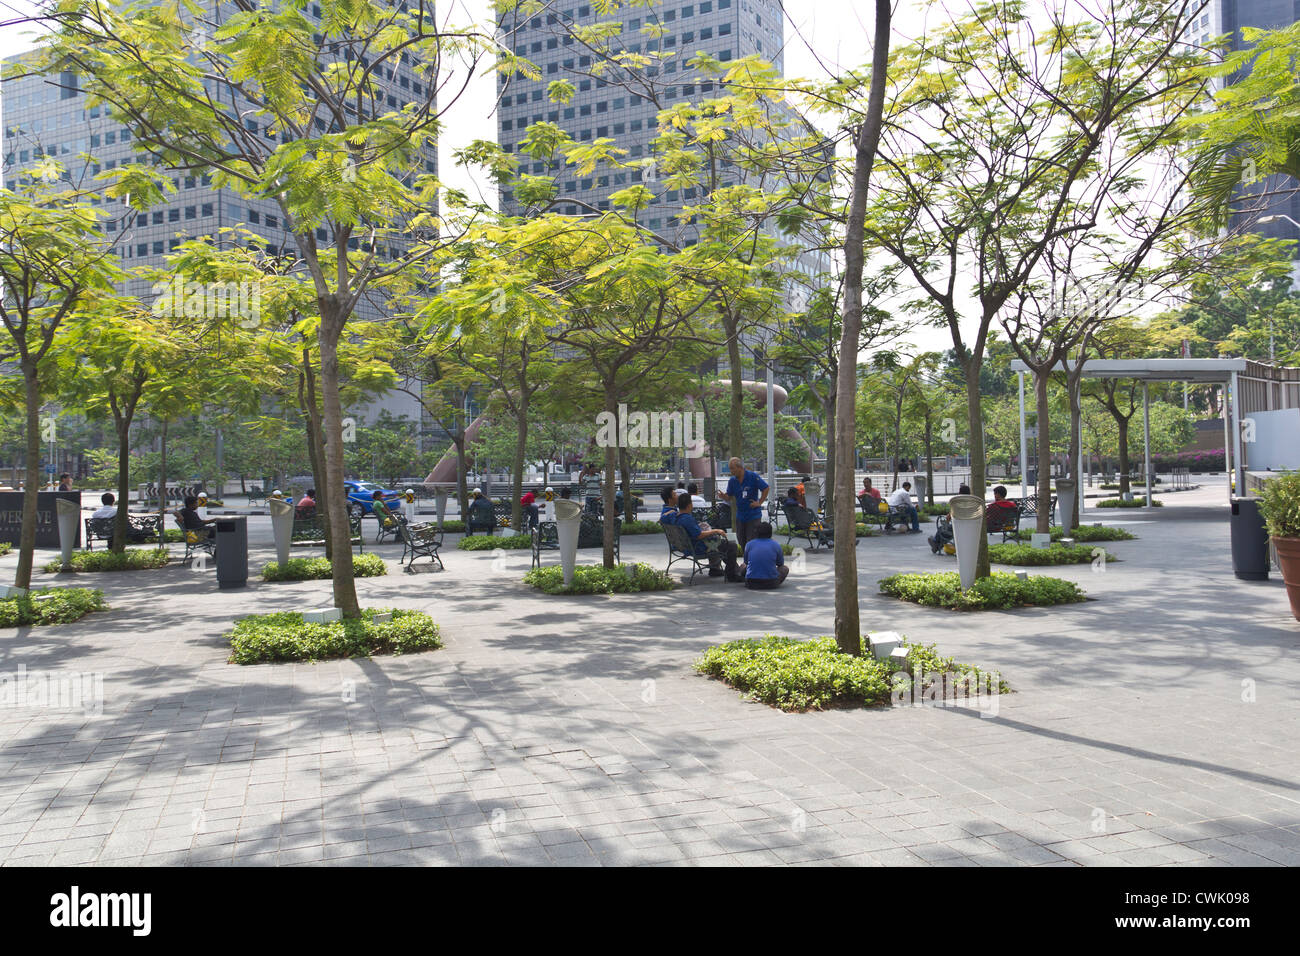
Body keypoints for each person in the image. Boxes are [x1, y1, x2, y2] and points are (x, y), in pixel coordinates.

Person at [675, 494, 742, 581]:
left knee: (720, 541)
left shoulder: (678, 517)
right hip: (700, 547)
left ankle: (716, 569)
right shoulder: (687, 519)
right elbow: (699, 535)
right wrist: (716, 531)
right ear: (689, 505)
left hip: (688, 546)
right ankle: (732, 574)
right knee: (731, 546)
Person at [720, 457, 769, 548]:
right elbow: (729, 497)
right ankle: (746, 561)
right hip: (740, 516)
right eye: (730, 468)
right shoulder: (732, 481)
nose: (731, 471)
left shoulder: (753, 476)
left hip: (753, 515)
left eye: (732, 468)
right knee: (741, 541)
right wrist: (724, 496)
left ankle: (751, 561)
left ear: (740, 467)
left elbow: (766, 488)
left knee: (752, 542)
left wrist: (759, 502)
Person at [743, 521, 789, 590]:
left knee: (743, 566)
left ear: (756, 533)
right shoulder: (776, 545)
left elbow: (746, 562)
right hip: (771, 583)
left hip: (751, 583)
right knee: (785, 568)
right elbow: (780, 564)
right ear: (770, 533)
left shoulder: (749, 544)